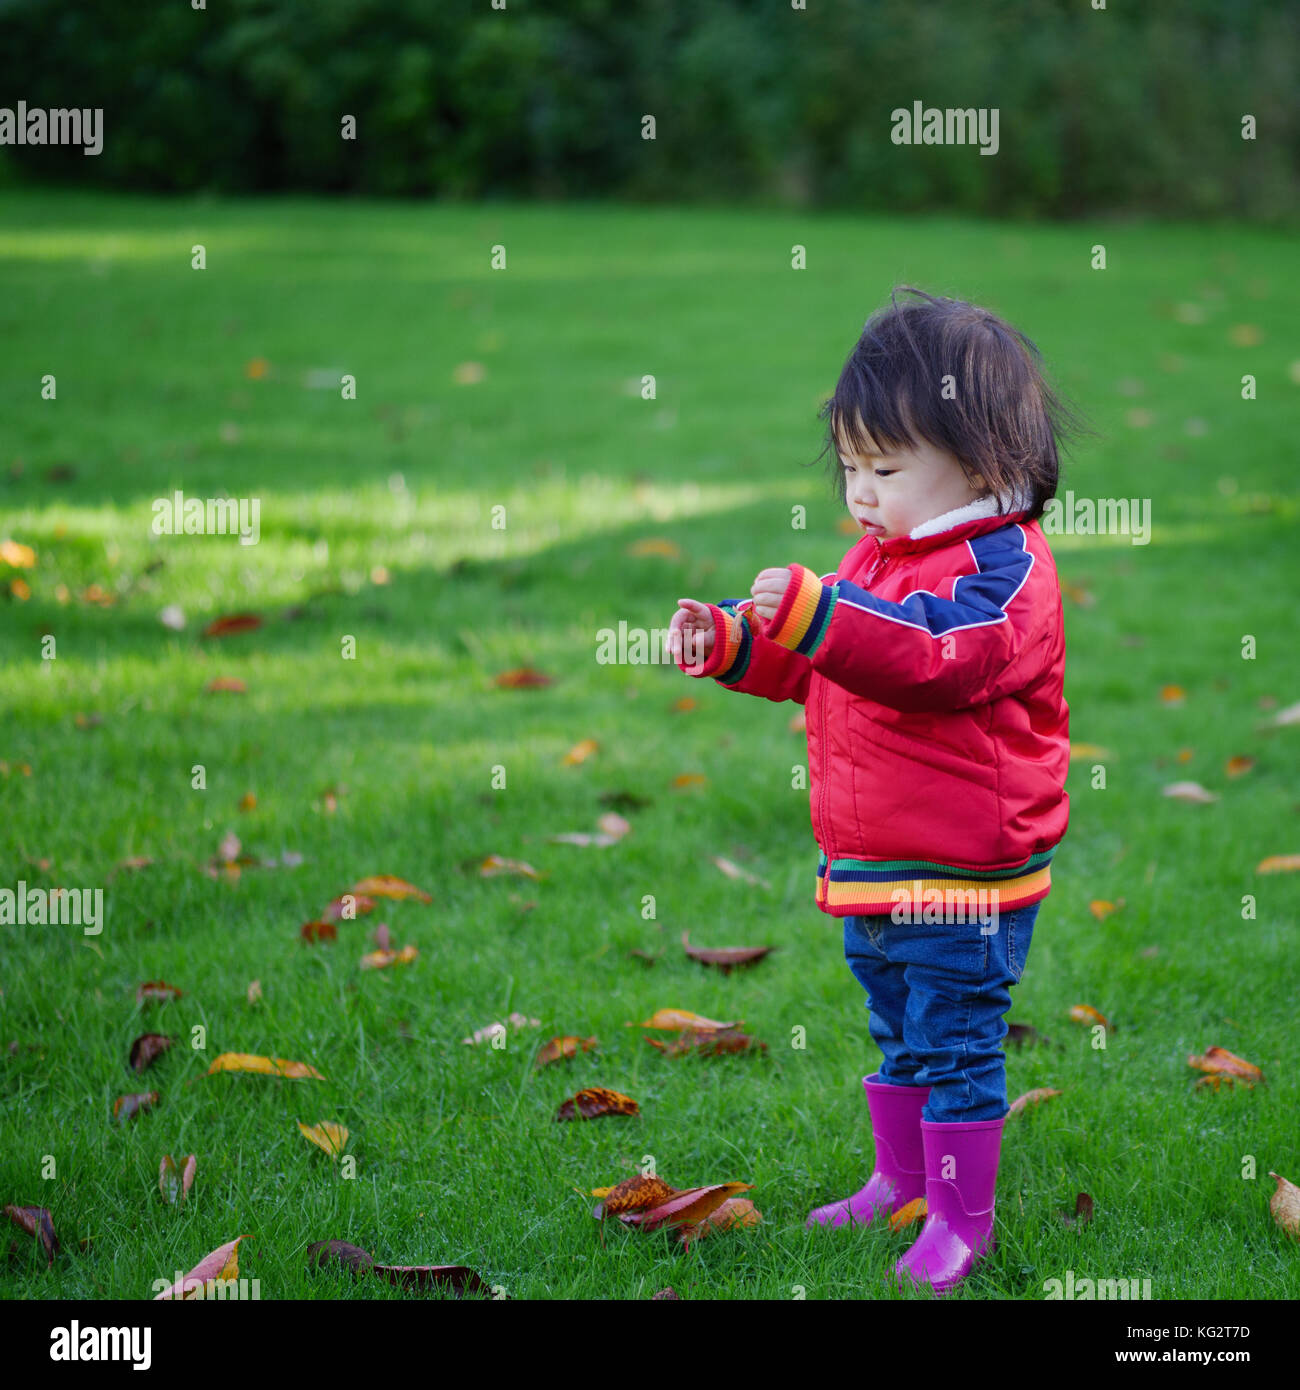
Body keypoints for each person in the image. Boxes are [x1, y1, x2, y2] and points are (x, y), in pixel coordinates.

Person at [667, 286, 1081, 1295]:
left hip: (964, 870)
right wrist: (733, 639)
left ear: (986, 467)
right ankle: (898, 1179)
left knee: (953, 1040)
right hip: (871, 859)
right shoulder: (876, 556)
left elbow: (935, 658)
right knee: (895, 1027)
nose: (859, 492)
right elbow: (824, 656)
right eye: (850, 466)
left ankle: (958, 1220)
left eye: (885, 469)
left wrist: (822, 615)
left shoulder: (1003, 570)